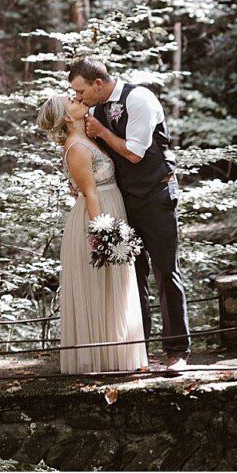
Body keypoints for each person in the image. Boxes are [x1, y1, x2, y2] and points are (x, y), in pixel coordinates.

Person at [67, 56, 191, 368]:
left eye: (81, 91)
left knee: (166, 271)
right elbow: (85, 152)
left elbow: (135, 153)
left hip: (156, 195)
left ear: (98, 84)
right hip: (122, 201)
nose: (78, 98)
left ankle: (177, 351)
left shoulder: (140, 99)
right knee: (132, 275)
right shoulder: (92, 110)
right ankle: (138, 349)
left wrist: (102, 131)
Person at [35, 94, 148, 374]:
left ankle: (115, 355)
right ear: (65, 117)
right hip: (97, 215)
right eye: (71, 101)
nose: (78, 99)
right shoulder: (76, 148)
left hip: (111, 206)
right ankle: (100, 360)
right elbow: (90, 193)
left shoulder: (87, 137)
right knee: (102, 283)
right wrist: (104, 236)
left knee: (114, 288)